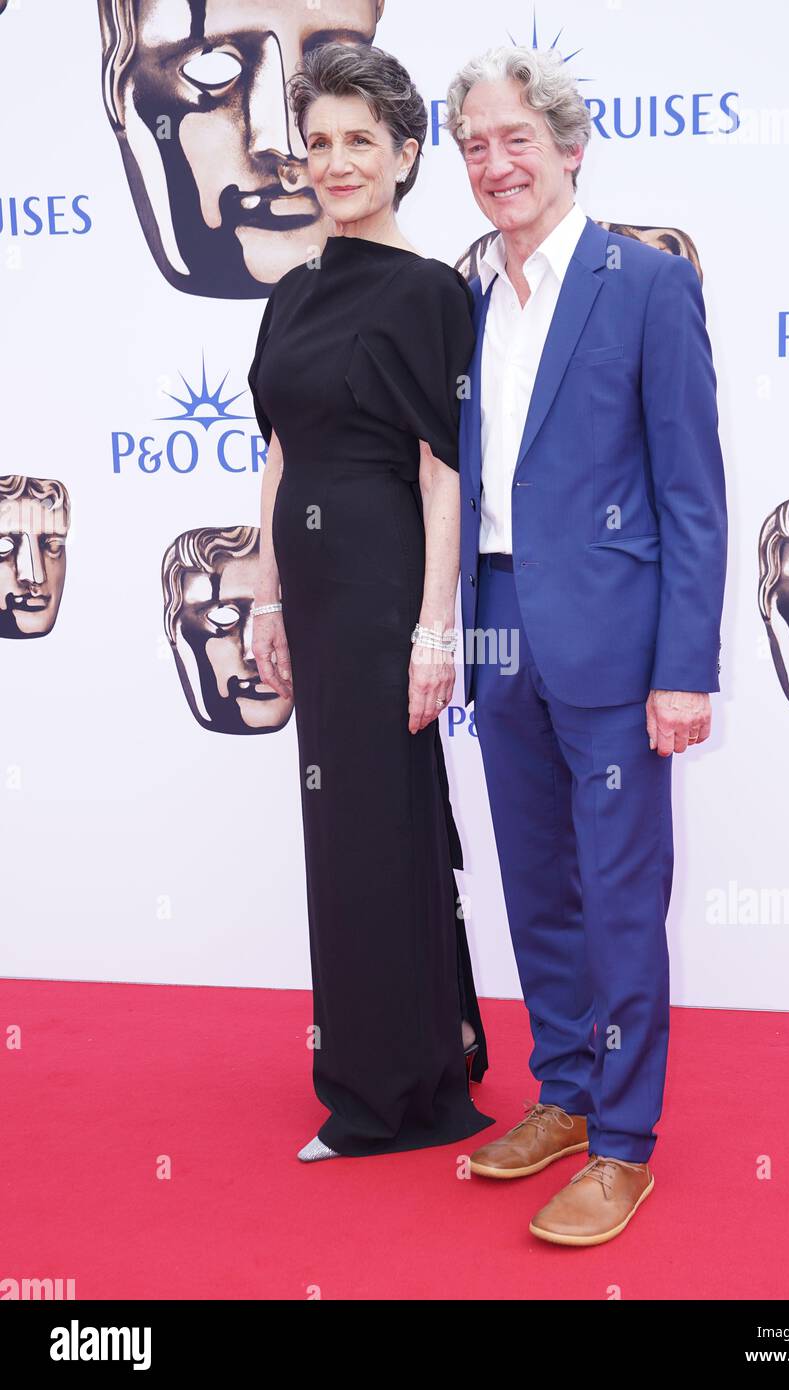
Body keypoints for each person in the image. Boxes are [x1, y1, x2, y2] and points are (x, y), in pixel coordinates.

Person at [445, 46, 727, 1244]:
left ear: (568, 146)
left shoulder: (646, 283)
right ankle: (562, 1092)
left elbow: (694, 492)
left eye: (515, 139)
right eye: (474, 147)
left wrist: (685, 666)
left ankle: (623, 1141)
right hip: (501, 625)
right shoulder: (467, 295)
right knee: (537, 885)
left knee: (620, 896)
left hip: (617, 644)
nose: (495, 165)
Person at [247, 42, 494, 1160]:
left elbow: (445, 474)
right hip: (310, 581)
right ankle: (372, 1057)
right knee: (335, 826)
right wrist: (262, 599)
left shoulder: (431, 290)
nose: (337, 163)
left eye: (361, 142)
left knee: (386, 820)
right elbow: (277, 456)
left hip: (387, 576)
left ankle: (400, 1090)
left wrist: (436, 627)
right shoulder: (290, 292)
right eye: (320, 144)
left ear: (405, 153)